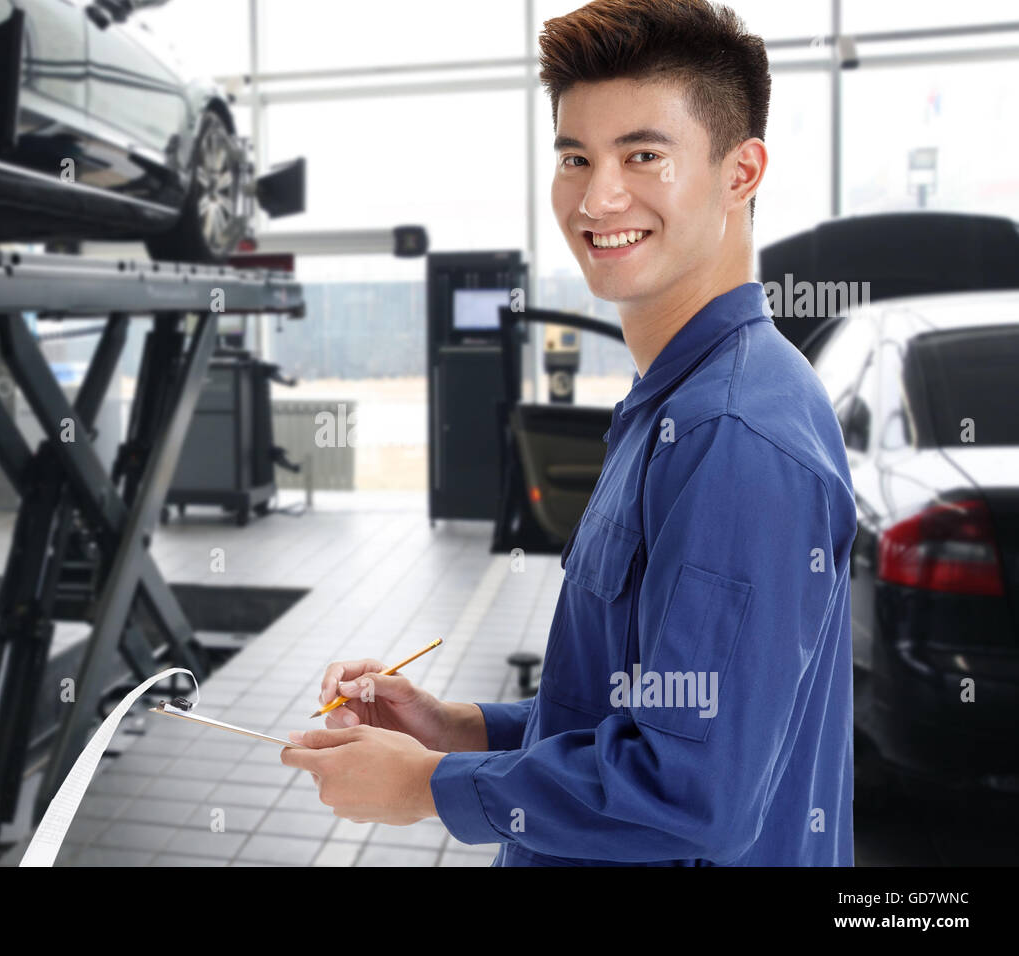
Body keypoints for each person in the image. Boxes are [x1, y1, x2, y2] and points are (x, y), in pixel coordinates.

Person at [281, 0, 857, 866]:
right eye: (575, 157)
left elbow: (691, 792)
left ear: (741, 173)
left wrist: (421, 787)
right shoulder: (670, 407)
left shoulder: (732, 436)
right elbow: (630, 714)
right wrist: (457, 731)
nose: (598, 196)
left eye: (644, 155)